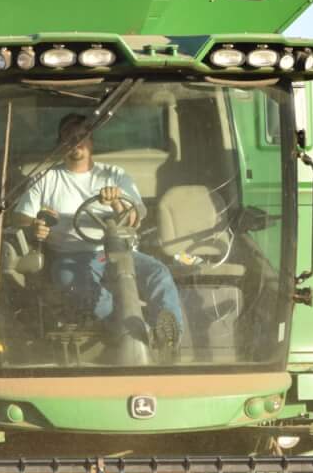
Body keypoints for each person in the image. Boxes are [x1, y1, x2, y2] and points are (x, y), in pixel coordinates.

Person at [10, 113, 186, 349]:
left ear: (91, 141)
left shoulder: (114, 175)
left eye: (82, 136)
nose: (76, 142)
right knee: (86, 292)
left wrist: (115, 203)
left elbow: (133, 219)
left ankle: (170, 338)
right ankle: (141, 335)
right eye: (69, 137)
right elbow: (20, 217)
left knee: (158, 273)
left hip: (119, 252)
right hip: (70, 257)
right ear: (60, 143)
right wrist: (35, 225)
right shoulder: (47, 177)